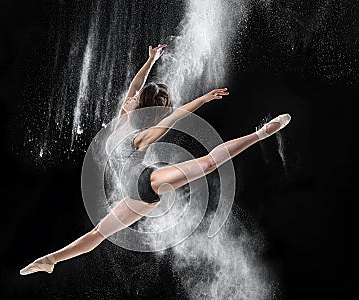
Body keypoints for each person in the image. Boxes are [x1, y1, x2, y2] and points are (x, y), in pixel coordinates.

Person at [20, 43, 291, 275]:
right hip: (134, 194)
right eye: (134, 96)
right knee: (97, 235)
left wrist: (203, 99)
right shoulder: (124, 118)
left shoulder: (139, 132)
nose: (131, 95)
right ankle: (49, 260)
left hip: (144, 181)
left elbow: (176, 115)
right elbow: (136, 84)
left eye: (136, 98)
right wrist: (150, 60)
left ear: (140, 106)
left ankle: (260, 134)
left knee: (208, 163)